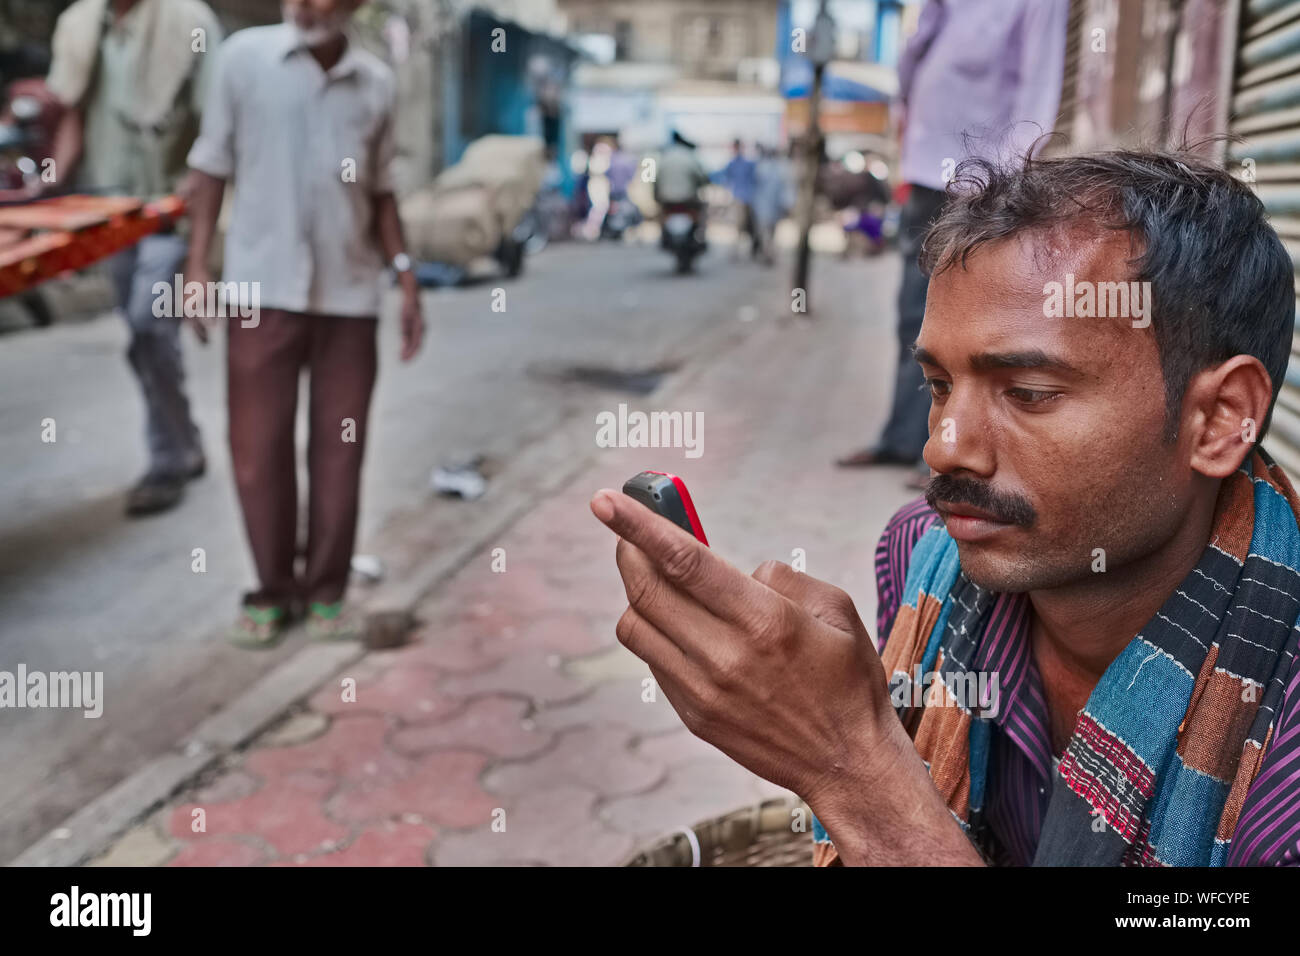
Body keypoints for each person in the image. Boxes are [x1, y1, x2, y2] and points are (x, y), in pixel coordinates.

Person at [591, 148, 1300, 866]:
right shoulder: (918, 552)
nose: (944, 449)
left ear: (1218, 421)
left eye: (1027, 392)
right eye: (937, 386)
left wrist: (851, 765)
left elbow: (882, 797)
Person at [184, 0, 425, 646]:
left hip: (349, 295)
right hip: (261, 292)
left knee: (340, 451)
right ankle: (270, 590)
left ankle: (326, 594)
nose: (308, 4)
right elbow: (210, 167)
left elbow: (381, 192)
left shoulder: (375, 82)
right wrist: (198, 268)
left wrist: (405, 277)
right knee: (258, 451)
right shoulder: (244, 61)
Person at [836, 0, 1069, 490]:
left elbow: (1038, 86)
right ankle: (901, 438)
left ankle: (952, 451)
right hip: (924, 168)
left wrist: (1009, 182)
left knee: (974, 326)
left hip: (981, 180)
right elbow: (911, 70)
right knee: (912, 317)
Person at [43, 0, 222, 516]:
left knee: (149, 324)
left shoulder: (191, 22)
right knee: (144, 336)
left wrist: (194, 200)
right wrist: (46, 184)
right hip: (104, 214)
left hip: (167, 211)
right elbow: (73, 115)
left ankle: (167, 459)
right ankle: (184, 440)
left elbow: (216, 126)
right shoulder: (81, 24)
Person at [750, 145, 792, 266]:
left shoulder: (780, 168)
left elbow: (786, 189)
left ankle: (769, 253)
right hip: (764, 206)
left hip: (772, 206)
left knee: (769, 231)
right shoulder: (763, 167)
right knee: (766, 231)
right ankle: (768, 253)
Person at [718, 138, 757, 259]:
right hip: (740, 198)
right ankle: (738, 251)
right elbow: (726, 179)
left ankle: (744, 251)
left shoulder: (747, 163)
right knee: (740, 226)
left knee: (746, 226)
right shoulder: (733, 163)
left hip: (746, 198)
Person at [653, 130, 708, 208]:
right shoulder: (690, 156)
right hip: (688, 201)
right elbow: (702, 178)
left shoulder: (664, 156)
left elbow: (655, 180)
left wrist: (656, 197)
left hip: (666, 201)